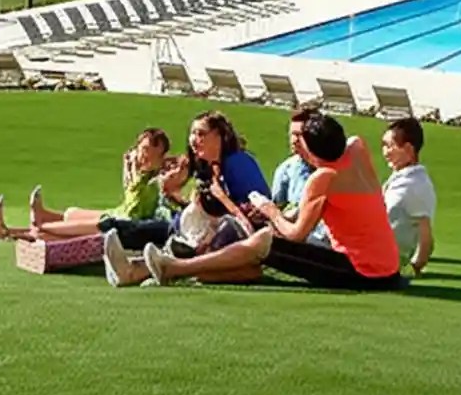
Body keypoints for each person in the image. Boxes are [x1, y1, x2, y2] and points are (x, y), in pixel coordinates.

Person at [127, 112, 404, 291]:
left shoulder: (323, 178)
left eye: (301, 142)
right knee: (255, 252)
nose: (297, 147)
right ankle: (182, 270)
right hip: (387, 266)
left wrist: (270, 210)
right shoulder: (357, 148)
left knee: (264, 242)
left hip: (362, 272)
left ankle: (173, 268)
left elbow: (296, 234)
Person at [102, 110, 271, 287]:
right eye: (192, 134)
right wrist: (176, 198)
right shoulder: (209, 167)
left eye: (201, 134)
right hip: (211, 230)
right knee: (180, 224)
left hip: (244, 232)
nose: (193, 140)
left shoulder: (238, 162)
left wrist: (220, 199)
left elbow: (257, 210)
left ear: (220, 135)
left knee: (168, 230)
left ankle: (135, 269)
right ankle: (133, 269)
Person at [0, 128, 178, 241]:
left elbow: (135, 205)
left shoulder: (154, 177)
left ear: (160, 157)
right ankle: (39, 215)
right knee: (73, 213)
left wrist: (132, 172)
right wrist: (130, 172)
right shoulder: (145, 173)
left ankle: (7, 231)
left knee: (49, 230)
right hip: (120, 215)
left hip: (125, 224)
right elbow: (131, 199)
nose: (143, 155)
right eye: (142, 149)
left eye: (150, 151)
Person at [381, 117, 437, 276]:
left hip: (386, 260)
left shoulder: (416, 185)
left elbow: (426, 233)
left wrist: (416, 266)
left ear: (408, 149)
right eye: (384, 146)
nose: (385, 152)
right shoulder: (400, 179)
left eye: (390, 146)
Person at [270, 108, 330, 246]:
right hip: (300, 238)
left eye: (299, 135)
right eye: (292, 134)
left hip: (323, 241)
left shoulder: (330, 169)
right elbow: (278, 206)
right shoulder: (286, 169)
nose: (294, 140)